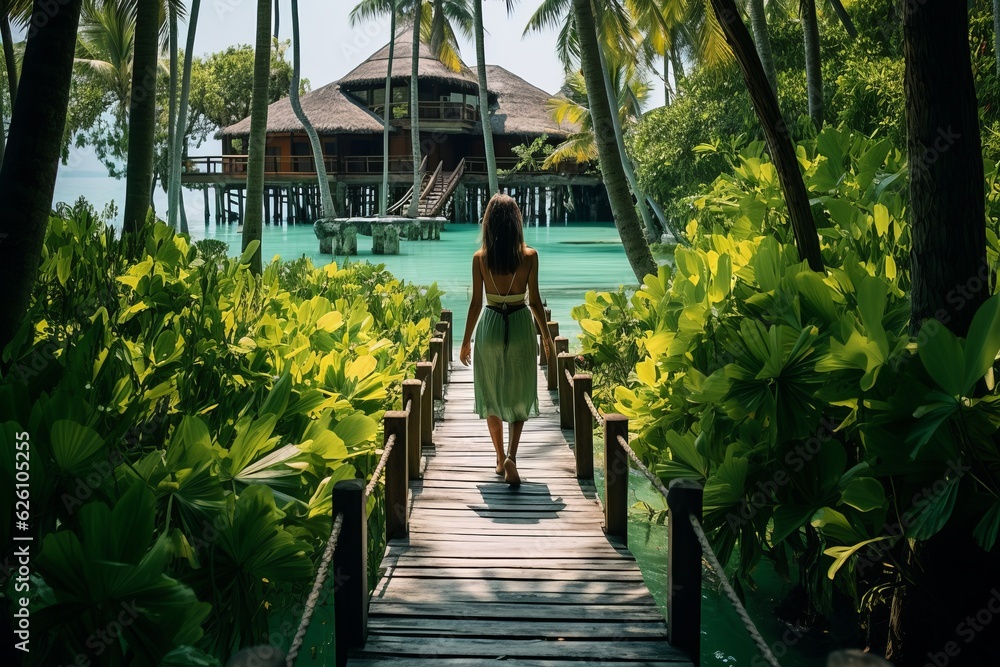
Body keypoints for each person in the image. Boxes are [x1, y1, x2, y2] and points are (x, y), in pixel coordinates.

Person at [460, 193, 554, 487]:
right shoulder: (530, 256)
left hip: (489, 326)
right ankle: (513, 454)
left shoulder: (480, 259)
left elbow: (476, 303)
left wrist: (465, 342)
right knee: (519, 392)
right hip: (520, 325)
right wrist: (547, 339)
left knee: (490, 394)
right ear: (517, 223)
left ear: (488, 224)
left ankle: (499, 458)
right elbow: (536, 302)